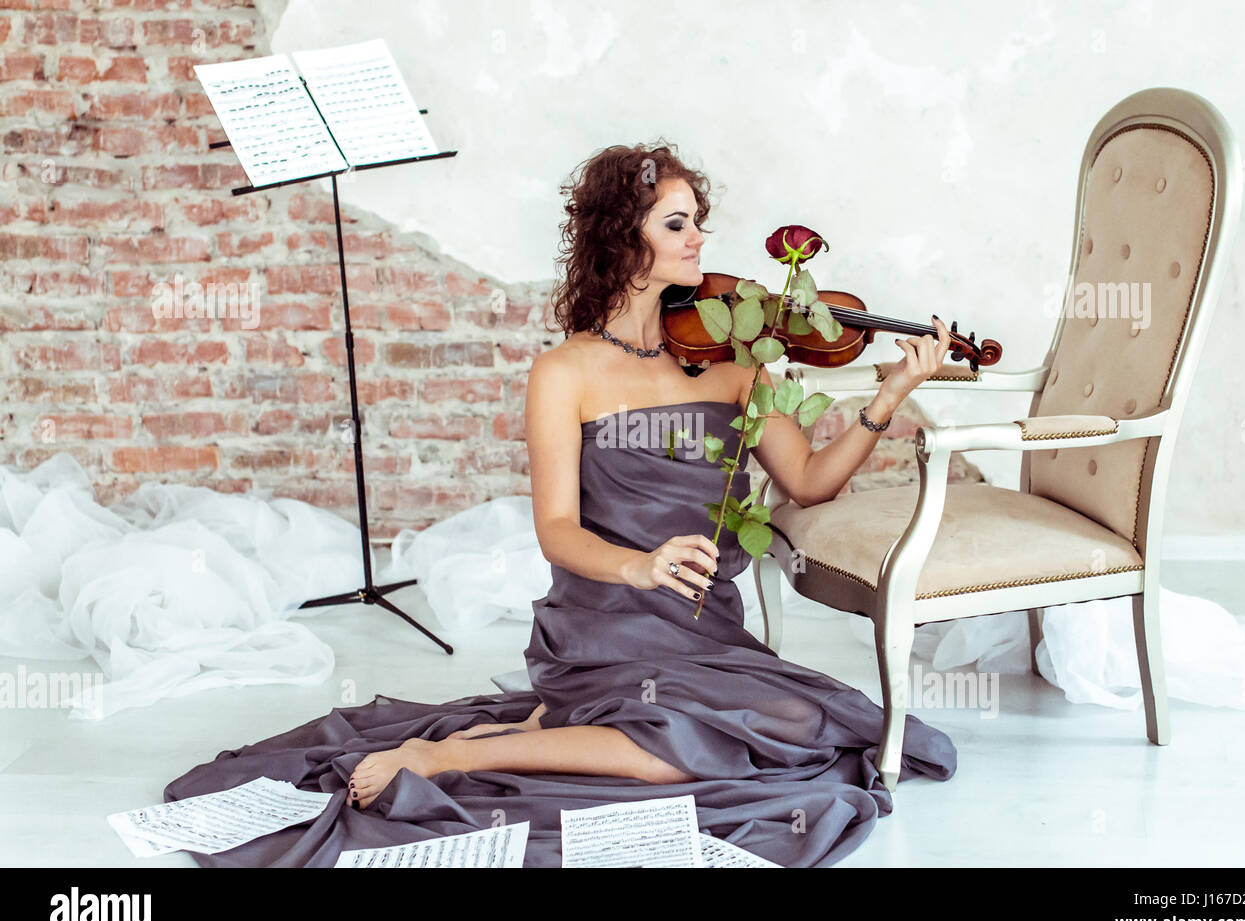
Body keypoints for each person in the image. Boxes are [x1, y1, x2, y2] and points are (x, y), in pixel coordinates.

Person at [164, 140, 957, 868]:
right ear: (624, 237)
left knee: (799, 723)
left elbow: (811, 482)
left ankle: (550, 731)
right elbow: (556, 530)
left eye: (698, 224)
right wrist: (641, 565)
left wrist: (890, 394)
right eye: (677, 224)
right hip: (606, 623)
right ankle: (458, 754)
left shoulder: (734, 365)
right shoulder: (564, 372)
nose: (698, 242)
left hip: (701, 627)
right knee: (682, 750)